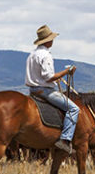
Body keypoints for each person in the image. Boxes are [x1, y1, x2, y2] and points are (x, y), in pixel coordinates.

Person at [25, 24, 79, 153]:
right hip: (45, 91)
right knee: (74, 109)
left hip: (33, 90)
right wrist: (67, 72)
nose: (53, 40)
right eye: (52, 38)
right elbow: (49, 77)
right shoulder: (46, 55)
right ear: (48, 40)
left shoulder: (32, 55)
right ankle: (65, 139)